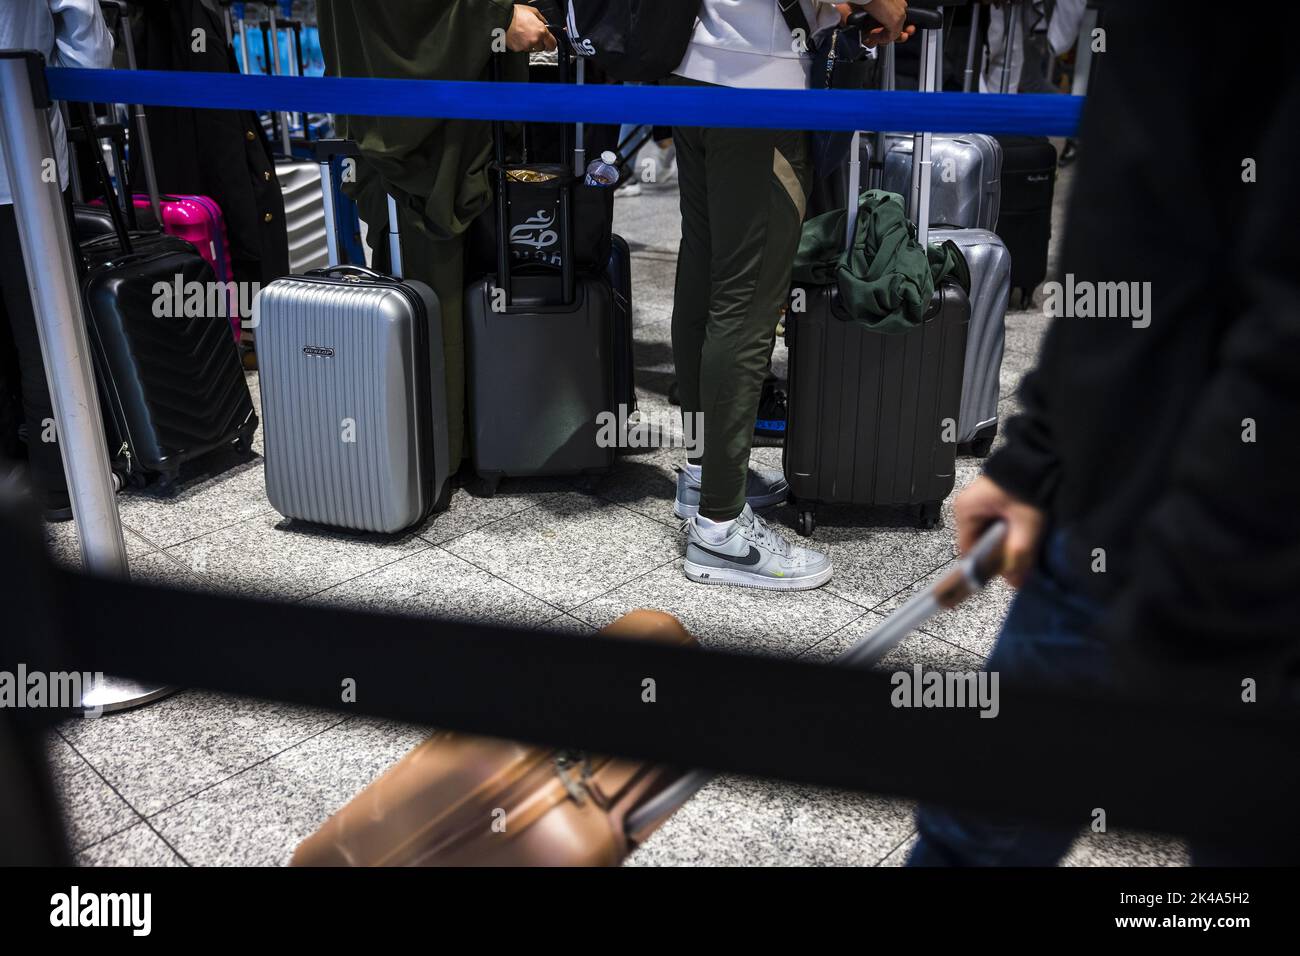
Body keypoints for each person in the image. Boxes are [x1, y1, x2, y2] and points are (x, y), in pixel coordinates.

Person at [908, 2, 1300, 865]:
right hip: (1124, 504)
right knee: (975, 835)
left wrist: (1208, 579)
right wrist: (1035, 452)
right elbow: (1137, 215)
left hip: (1198, 531)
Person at [667, 0, 911, 591]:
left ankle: (707, 475)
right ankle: (720, 530)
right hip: (759, 79)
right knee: (746, 304)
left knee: (704, 281)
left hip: (689, 68)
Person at [317, 2, 555, 477]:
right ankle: (437, 449)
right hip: (423, 131)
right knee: (424, 280)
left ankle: (450, 442)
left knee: (426, 278)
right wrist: (497, 15)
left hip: (402, 113)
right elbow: (405, 18)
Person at [0, 0, 114, 521]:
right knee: (43, 334)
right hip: (19, 165)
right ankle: (56, 483)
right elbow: (89, 60)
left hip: (20, 167)